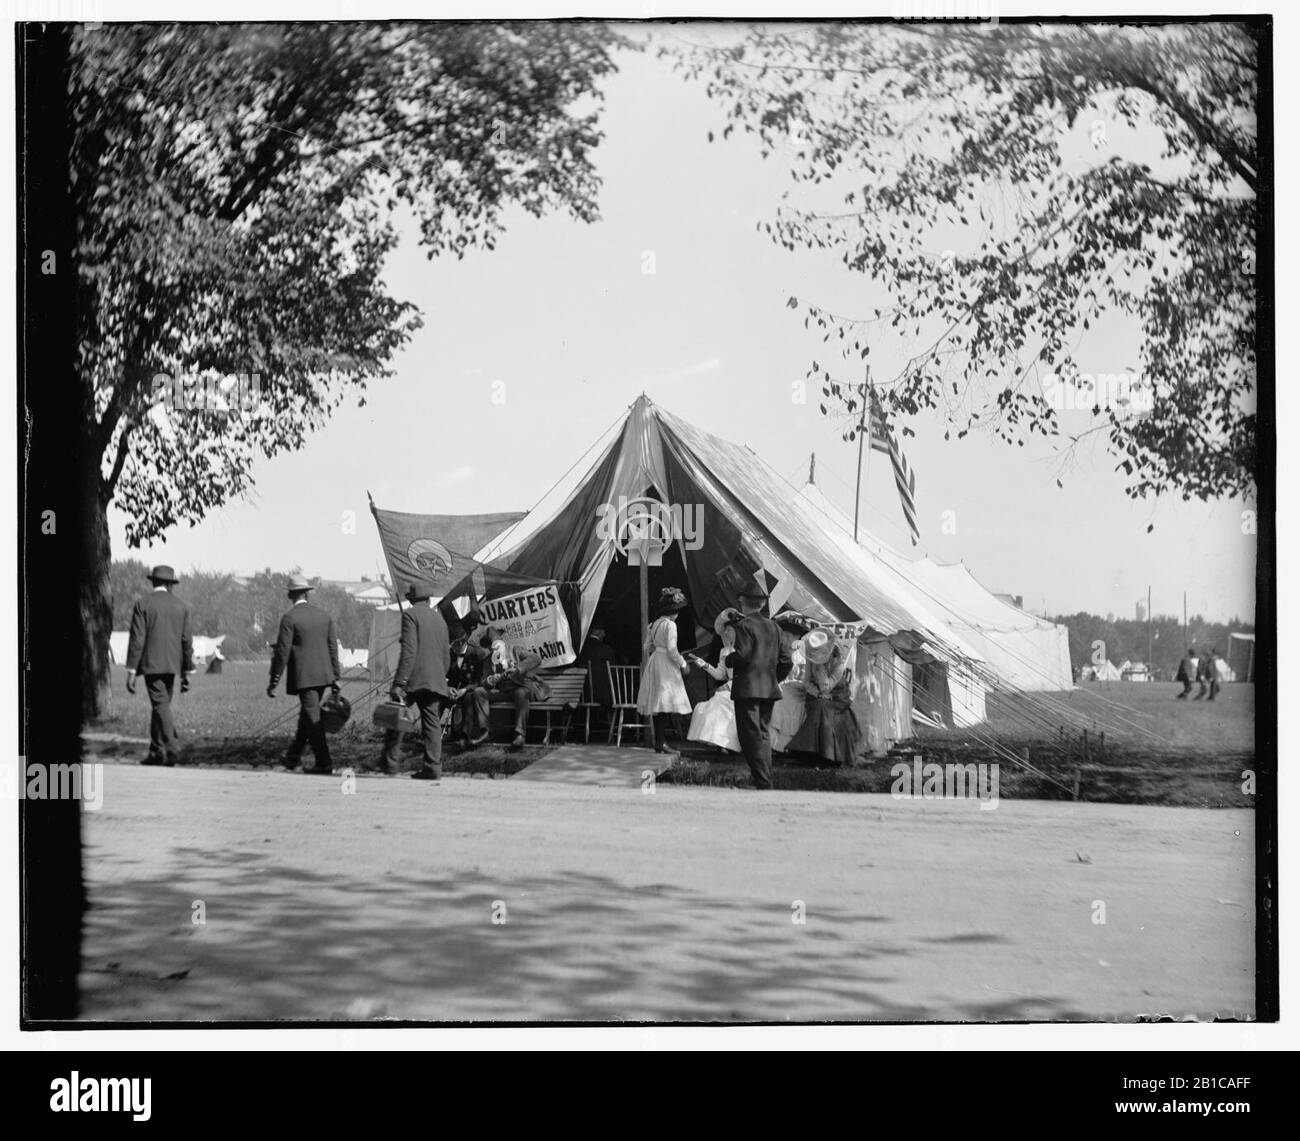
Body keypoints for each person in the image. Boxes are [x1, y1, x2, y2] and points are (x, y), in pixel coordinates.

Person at [267, 575, 341, 774]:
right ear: (307, 593)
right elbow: (333, 647)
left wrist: (274, 680)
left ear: (290, 595)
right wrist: (335, 677)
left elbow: (282, 652)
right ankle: (293, 757)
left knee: (312, 718)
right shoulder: (323, 616)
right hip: (324, 677)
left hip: (305, 677)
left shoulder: (290, 618)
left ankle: (324, 763)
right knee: (307, 716)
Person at [378, 583, 450, 779]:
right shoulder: (440, 619)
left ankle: (389, 762)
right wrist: (440, 675)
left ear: (411, 600)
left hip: (414, 678)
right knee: (432, 724)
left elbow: (409, 651)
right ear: (428, 599)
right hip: (436, 679)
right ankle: (433, 767)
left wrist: (399, 683)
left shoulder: (410, 615)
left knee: (396, 717)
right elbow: (446, 655)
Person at [125, 564, 194, 767]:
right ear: (170, 584)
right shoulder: (181, 606)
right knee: (161, 705)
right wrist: (187, 671)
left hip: (151, 664)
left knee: (160, 705)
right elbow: (186, 640)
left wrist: (131, 670)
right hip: (173, 665)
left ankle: (172, 749)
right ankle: (156, 752)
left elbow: (137, 639)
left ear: (153, 582)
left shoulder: (142, 604)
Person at [726, 581, 793, 788]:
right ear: (762, 605)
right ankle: (763, 780)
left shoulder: (744, 626)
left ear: (743, 603)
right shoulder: (774, 627)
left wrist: (728, 660)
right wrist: (774, 679)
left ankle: (763, 781)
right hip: (768, 689)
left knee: (750, 736)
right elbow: (786, 660)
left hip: (747, 689)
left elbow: (743, 656)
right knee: (762, 735)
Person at [786, 629, 863, 765]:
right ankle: (814, 752)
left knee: (822, 707)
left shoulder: (839, 662)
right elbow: (807, 681)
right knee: (819, 705)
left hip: (837, 696)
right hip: (816, 695)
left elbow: (827, 686)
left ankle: (822, 753)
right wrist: (816, 693)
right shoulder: (811, 659)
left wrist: (820, 667)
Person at [637, 587, 693, 753]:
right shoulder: (670, 625)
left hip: (655, 661)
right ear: (673, 611)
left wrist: (657, 645)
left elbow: (646, 647)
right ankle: (661, 743)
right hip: (666, 664)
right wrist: (683, 663)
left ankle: (660, 742)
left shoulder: (653, 625)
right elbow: (671, 649)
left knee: (661, 702)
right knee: (665, 701)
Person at [477, 628, 546, 748]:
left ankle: (520, 735)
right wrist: (490, 680)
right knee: (479, 692)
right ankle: (485, 731)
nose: (494, 649)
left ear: (502, 642)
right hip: (503, 691)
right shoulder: (488, 661)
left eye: (496, 644)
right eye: (491, 647)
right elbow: (483, 681)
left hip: (520, 688)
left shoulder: (515, 650)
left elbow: (536, 659)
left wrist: (518, 668)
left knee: (521, 693)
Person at [685, 610, 741, 753]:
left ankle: (727, 743)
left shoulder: (744, 650)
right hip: (728, 689)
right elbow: (720, 675)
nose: (726, 633)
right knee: (709, 705)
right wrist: (703, 664)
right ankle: (720, 742)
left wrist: (730, 685)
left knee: (720, 701)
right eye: (725, 630)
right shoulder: (724, 651)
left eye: (729, 630)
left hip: (741, 688)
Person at [770, 614, 812, 752]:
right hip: (782, 687)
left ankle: (789, 744)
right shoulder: (778, 654)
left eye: (788, 637)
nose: (785, 640)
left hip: (800, 690)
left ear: (797, 638)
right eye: (784, 636)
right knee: (776, 699)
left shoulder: (804, 656)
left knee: (784, 701)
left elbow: (806, 677)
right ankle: (776, 744)